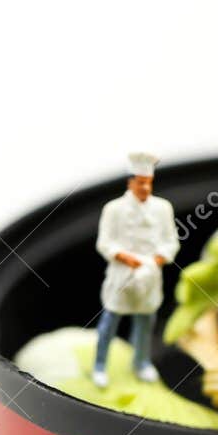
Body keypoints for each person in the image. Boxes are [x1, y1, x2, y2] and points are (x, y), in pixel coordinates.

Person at [93, 153, 179, 385]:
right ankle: (100, 365)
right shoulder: (114, 209)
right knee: (109, 323)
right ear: (130, 183)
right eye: (140, 182)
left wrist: (156, 260)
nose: (145, 187)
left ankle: (141, 362)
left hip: (150, 275)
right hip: (121, 274)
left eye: (148, 182)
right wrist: (126, 258)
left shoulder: (163, 208)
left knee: (144, 323)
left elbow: (171, 242)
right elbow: (104, 243)